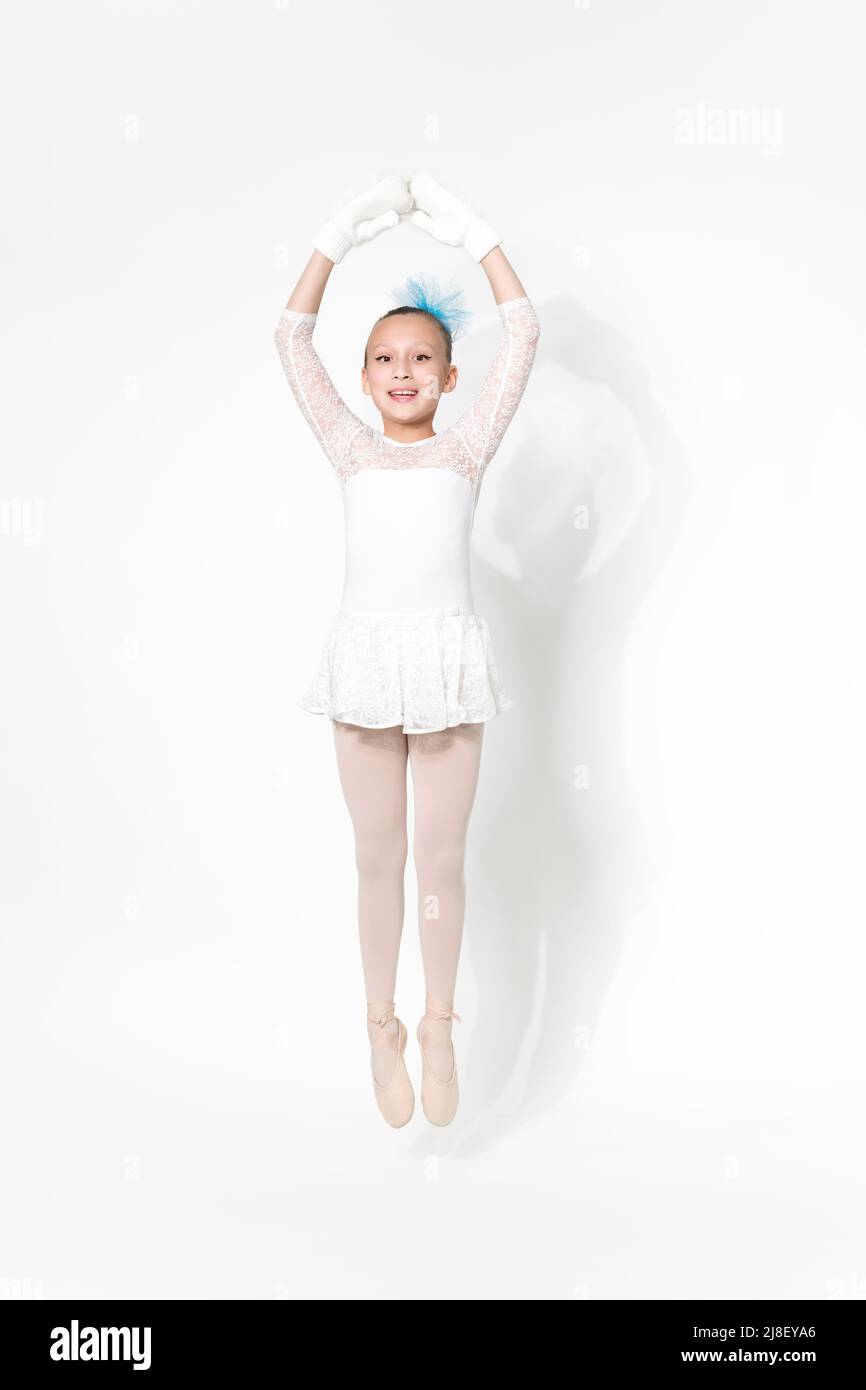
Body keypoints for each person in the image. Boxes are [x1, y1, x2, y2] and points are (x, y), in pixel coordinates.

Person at [274, 172, 540, 1127]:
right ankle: (379, 1023)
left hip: (445, 668)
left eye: (423, 357)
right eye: (384, 357)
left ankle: (437, 1024)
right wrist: (337, 233)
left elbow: (525, 332)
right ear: (363, 377)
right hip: (365, 665)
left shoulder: (465, 451)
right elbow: (290, 339)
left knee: (442, 858)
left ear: (449, 378)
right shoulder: (353, 449)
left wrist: (475, 231)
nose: (402, 371)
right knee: (377, 854)